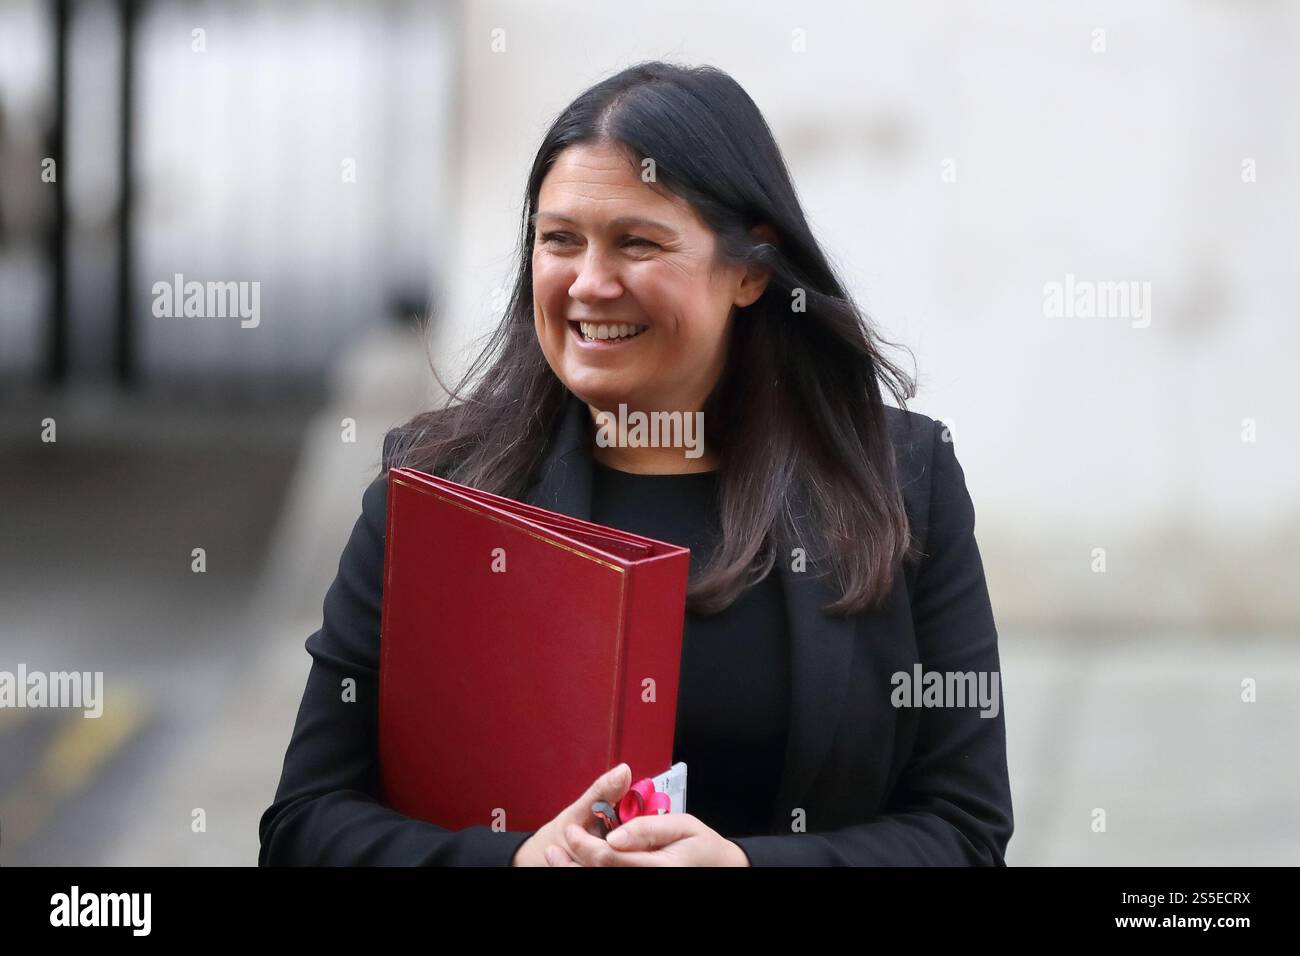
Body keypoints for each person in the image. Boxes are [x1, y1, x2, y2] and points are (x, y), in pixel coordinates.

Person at [258, 61, 1013, 867]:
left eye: (637, 243)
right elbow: (306, 824)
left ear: (752, 271)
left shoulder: (898, 480)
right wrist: (512, 860)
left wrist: (745, 867)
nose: (589, 283)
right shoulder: (439, 486)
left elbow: (963, 833)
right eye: (560, 240)